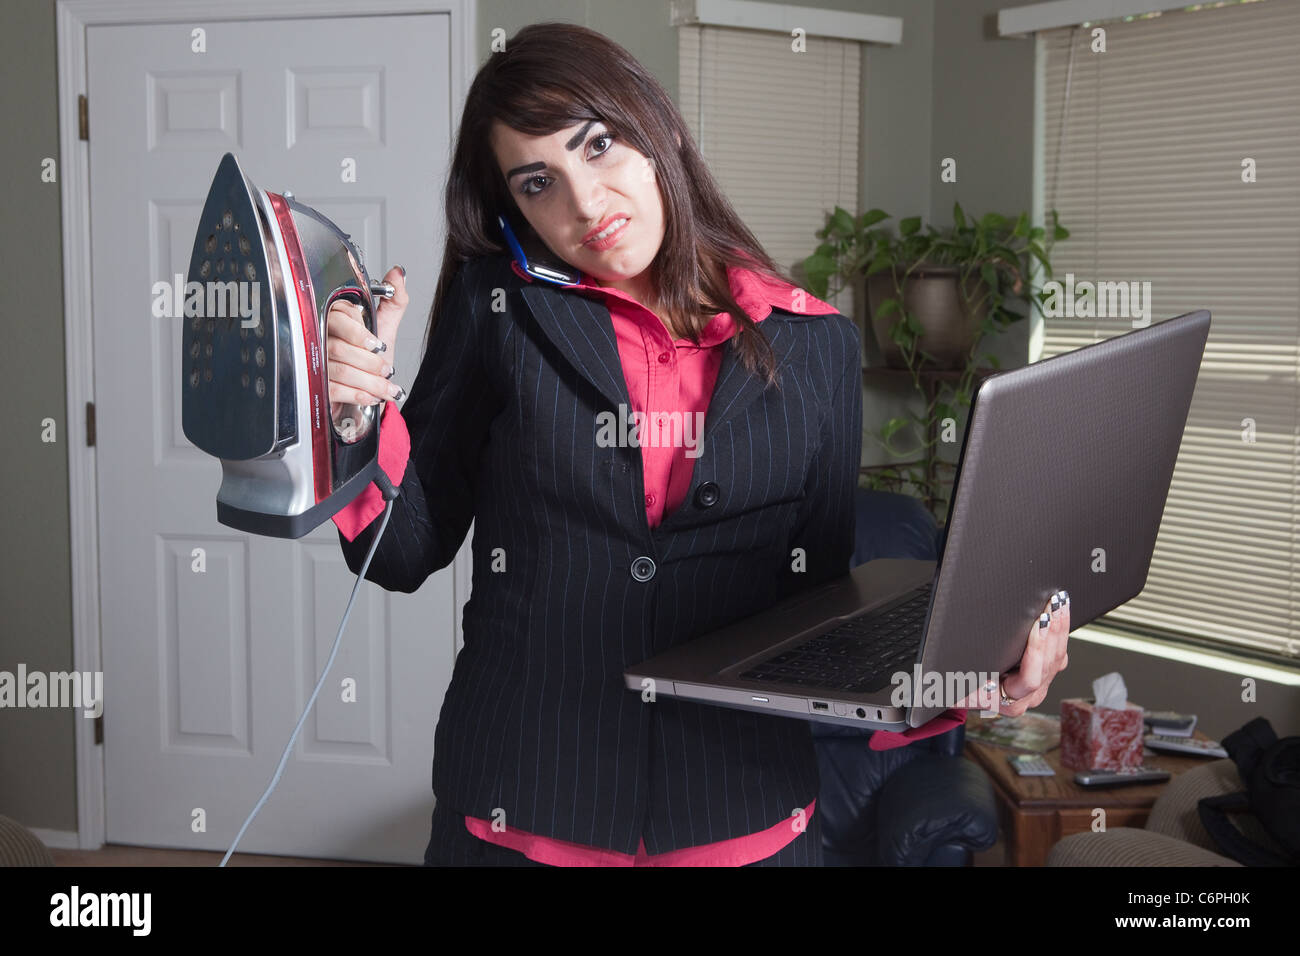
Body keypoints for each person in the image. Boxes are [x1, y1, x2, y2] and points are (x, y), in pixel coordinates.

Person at [325, 21, 1070, 866]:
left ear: (662, 130)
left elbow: (818, 614)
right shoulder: (497, 314)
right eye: (538, 183)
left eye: (599, 145)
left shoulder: (816, 343)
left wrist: (967, 665)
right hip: (521, 806)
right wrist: (354, 414)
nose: (585, 203)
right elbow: (403, 550)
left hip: (742, 817)